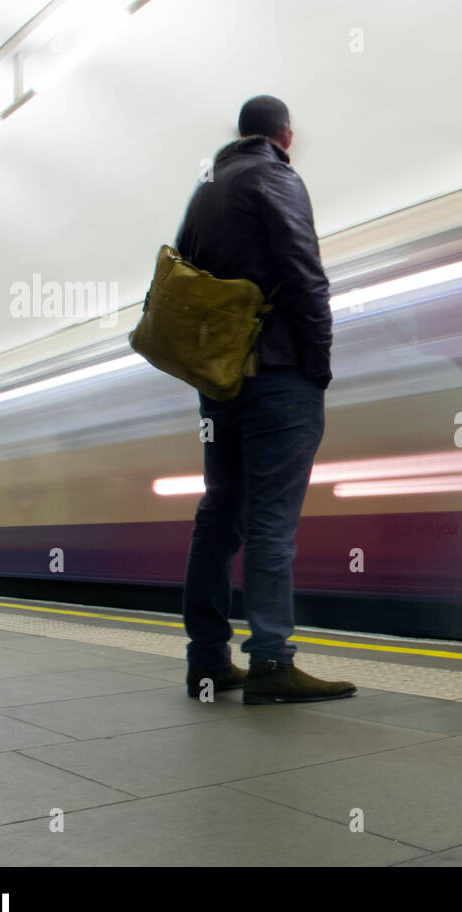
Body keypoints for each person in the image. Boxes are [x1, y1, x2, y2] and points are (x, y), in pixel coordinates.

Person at [175, 95, 355, 705]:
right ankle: (272, 663)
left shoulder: (206, 189)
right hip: (278, 373)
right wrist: (319, 365)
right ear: (286, 134)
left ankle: (207, 662)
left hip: (220, 381)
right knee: (271, 523)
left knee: (218, 515)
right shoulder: (276, 176)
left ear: (240, 132)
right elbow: (305, 272)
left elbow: (183, 282)